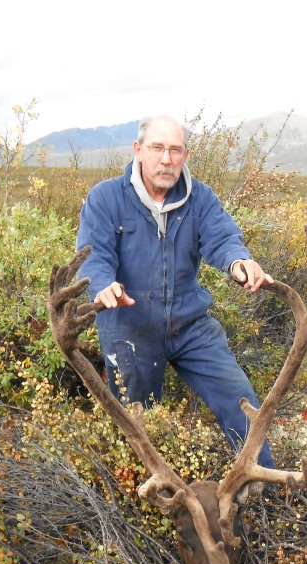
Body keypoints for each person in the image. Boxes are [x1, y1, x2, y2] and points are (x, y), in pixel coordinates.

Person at [76, 114, 275, 468]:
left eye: (175, 150)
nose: (166, 159)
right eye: (157, 148)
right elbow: (93, 255)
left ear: (185, 155)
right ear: (138, 150)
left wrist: (238, 262)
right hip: (128, 327)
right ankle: (138, 503)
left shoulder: (200, 198)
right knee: (136, 427)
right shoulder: (105, 198)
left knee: (240, 400)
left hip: (189, 324)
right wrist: (103, 285)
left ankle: (263, 489)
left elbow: (223, 239)